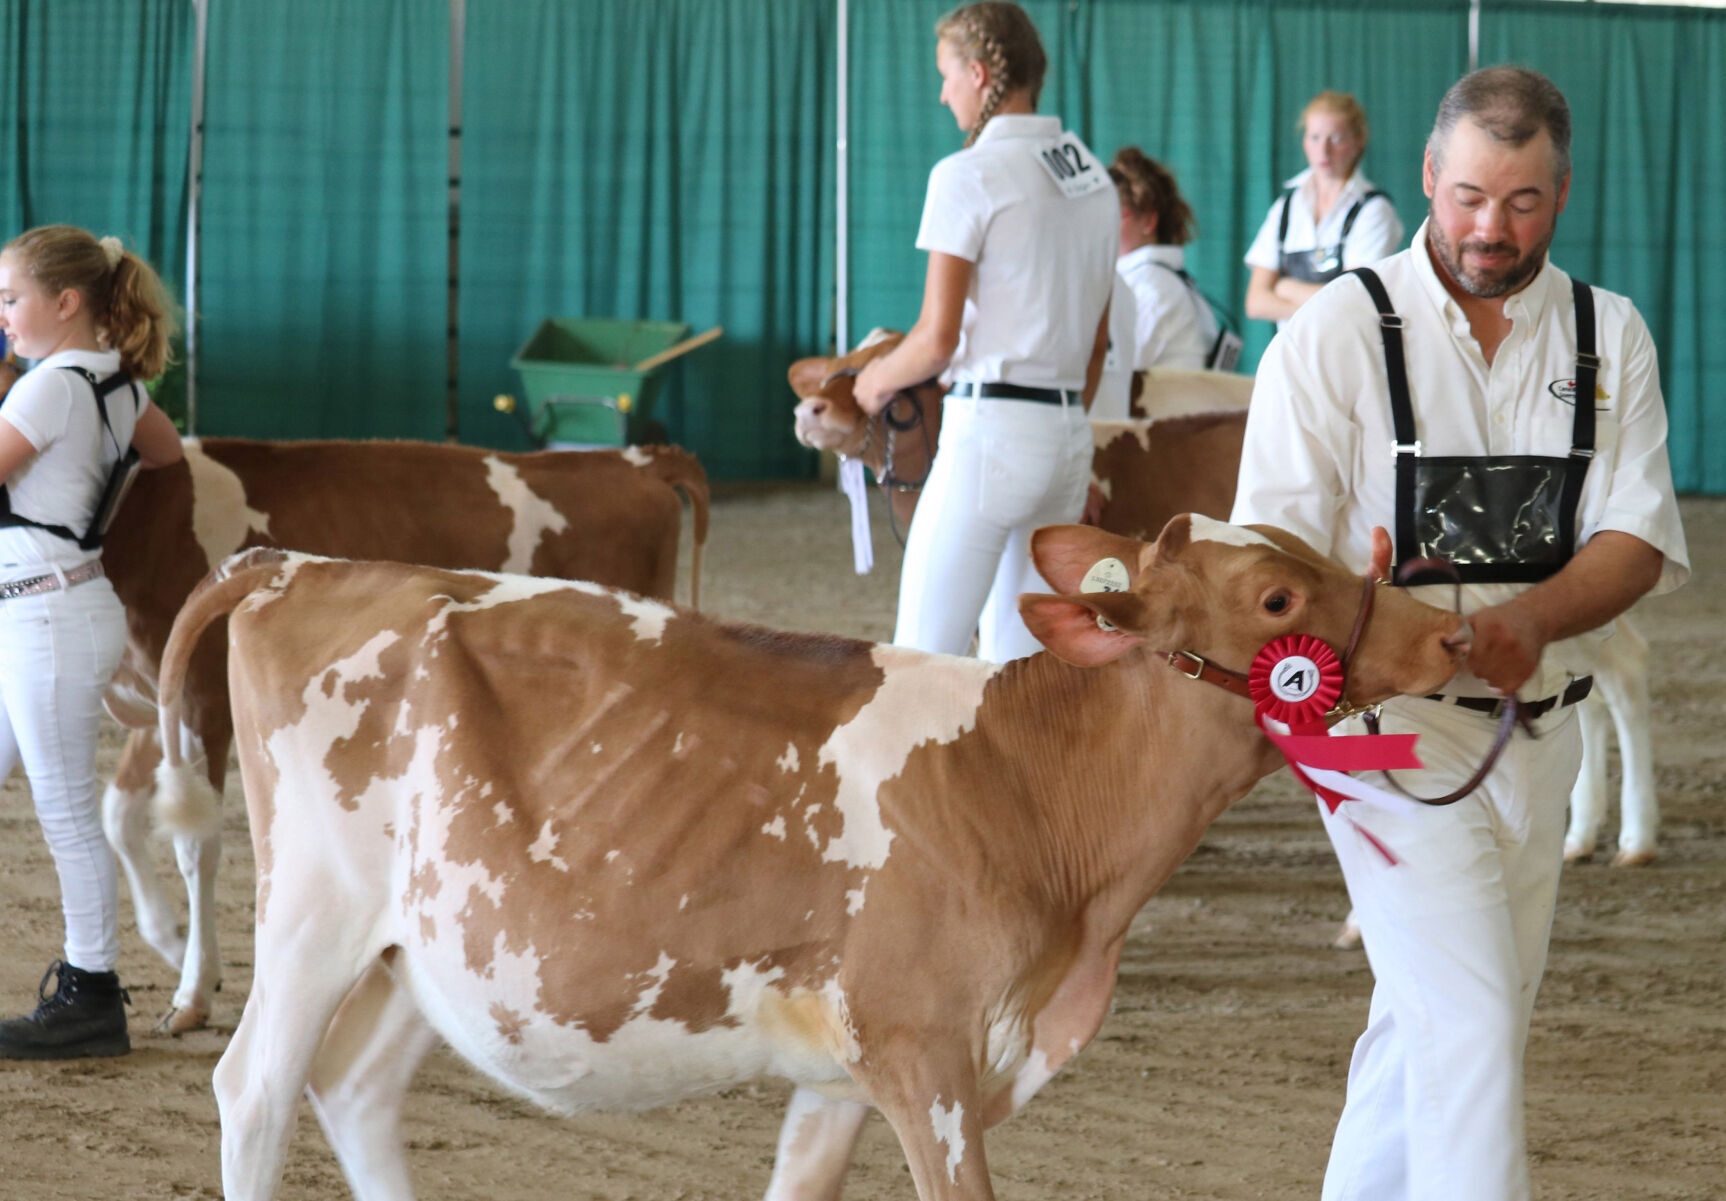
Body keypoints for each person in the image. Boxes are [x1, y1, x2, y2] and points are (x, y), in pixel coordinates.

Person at [1231, 68, 1688, 1201]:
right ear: (1430, 178)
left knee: (1439, 1026)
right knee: (1473, 1019)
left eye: (1523, 201)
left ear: (1562, 193)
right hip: (1379, 735)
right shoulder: (1333, 333)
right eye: (1471, 195)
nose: (1493, 227)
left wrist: (1530, 618)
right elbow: (1262, 562)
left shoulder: (1606, 334)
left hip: (1546, 731)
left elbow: (1634, 535)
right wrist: (1353, 610)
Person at [852, 1, 1115, 662]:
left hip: (991, 435)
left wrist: (872, 381)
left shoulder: (965, 175)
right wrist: (1064, 431)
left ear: (977, 73)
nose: (942, 94)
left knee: (920, 652)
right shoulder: (1092, 175)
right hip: (1064, 436)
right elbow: (1097, 343)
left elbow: (935, 339)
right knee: (1017, 663)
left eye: (945, 76)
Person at [0, 225, 184, 1059]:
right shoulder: (119, 385)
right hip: (52, 605)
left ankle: (91, 994)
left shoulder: (46, 390)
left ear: (65, 302)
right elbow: (166, 451)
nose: (3, 315)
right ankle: (89, 987)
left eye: (12, 299)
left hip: (47, 617)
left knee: (69, 815)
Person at [1244, 90, 1403, 328]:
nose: (1323, 150)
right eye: (1315, 137)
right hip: (1291, 356)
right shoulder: (1285, 208)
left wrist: (1283, 287)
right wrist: (1319, 308)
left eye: (1336, 139)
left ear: (1358, 142)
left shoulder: (1374, 209)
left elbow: (1352, 301)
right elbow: (1256, 302)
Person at [1110, 146, 1219, 373]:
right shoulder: (1153, 278)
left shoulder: (1153, 285)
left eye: (1115, 214)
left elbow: (1119, 365)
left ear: (1149, 221)